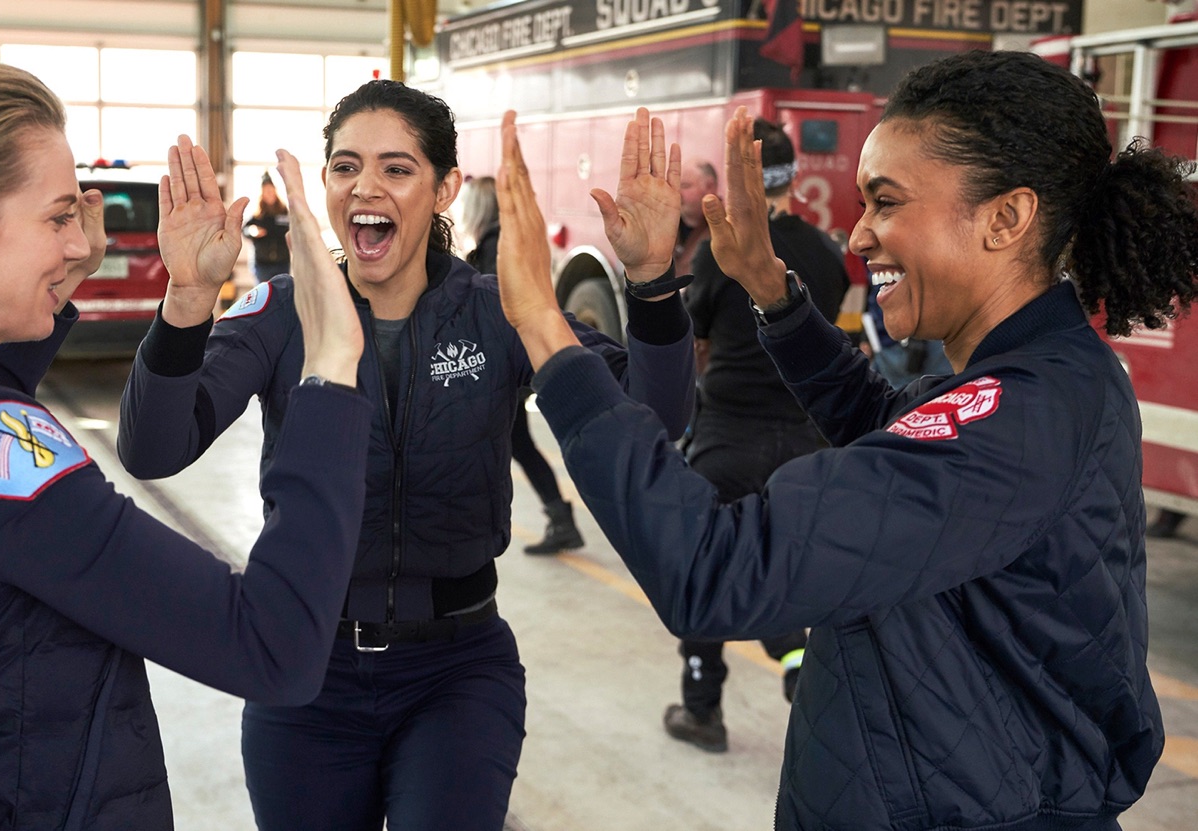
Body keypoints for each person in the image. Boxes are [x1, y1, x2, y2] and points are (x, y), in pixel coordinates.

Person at [494, 47, 1196, 829]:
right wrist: (774, 295)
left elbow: (716, 567)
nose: (858, 236)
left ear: (1006, 217)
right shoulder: (1034, 374)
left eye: (885, 201)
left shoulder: (1024, 413)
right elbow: (894, 437)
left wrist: (547, 334)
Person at [0, 54, 373, 831]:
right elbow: (272, 644)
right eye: (57, 218)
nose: (82, 244)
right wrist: (331, 368)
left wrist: (148, 287)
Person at [117, 80, 694, 829]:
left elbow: (654, 418)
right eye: (345, 166)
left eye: (396, 168)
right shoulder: (282, 313)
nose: (366, 185)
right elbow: (154, 447)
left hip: (456, 669)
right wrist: (188, 300)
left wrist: (650, 285)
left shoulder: (497, 308)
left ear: (445, 187)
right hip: (302, 668)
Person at [665, 118, 850, 753]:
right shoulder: (828, 255)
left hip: (728, 436)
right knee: (792, 571)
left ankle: (702, 709)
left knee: (706, 567)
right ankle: (802, 673)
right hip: (805, 439)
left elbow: (697, 343)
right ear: (793, 175)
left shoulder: (725, 253)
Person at [458, 175, 584, 554]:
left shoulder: (495, 245)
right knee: (519, 443)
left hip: (502, 362)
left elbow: (497, 306)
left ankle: (559, 520)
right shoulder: (502, 239)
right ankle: (561, 519)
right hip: (510, 359)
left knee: (508, 442)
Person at [243, 170, 291, 282]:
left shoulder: (284, 212)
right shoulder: (257, 214)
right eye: (266, 191)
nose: (269, 193)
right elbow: (245, 230)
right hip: (262, 263)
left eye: (271, 190)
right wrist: (252, 231)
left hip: (282, 262)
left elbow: (292, 229)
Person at [674, 159, 717, 277]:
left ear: (709, 186)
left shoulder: (725, 231)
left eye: (685, 186)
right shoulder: (668, 226)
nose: (678, 193)